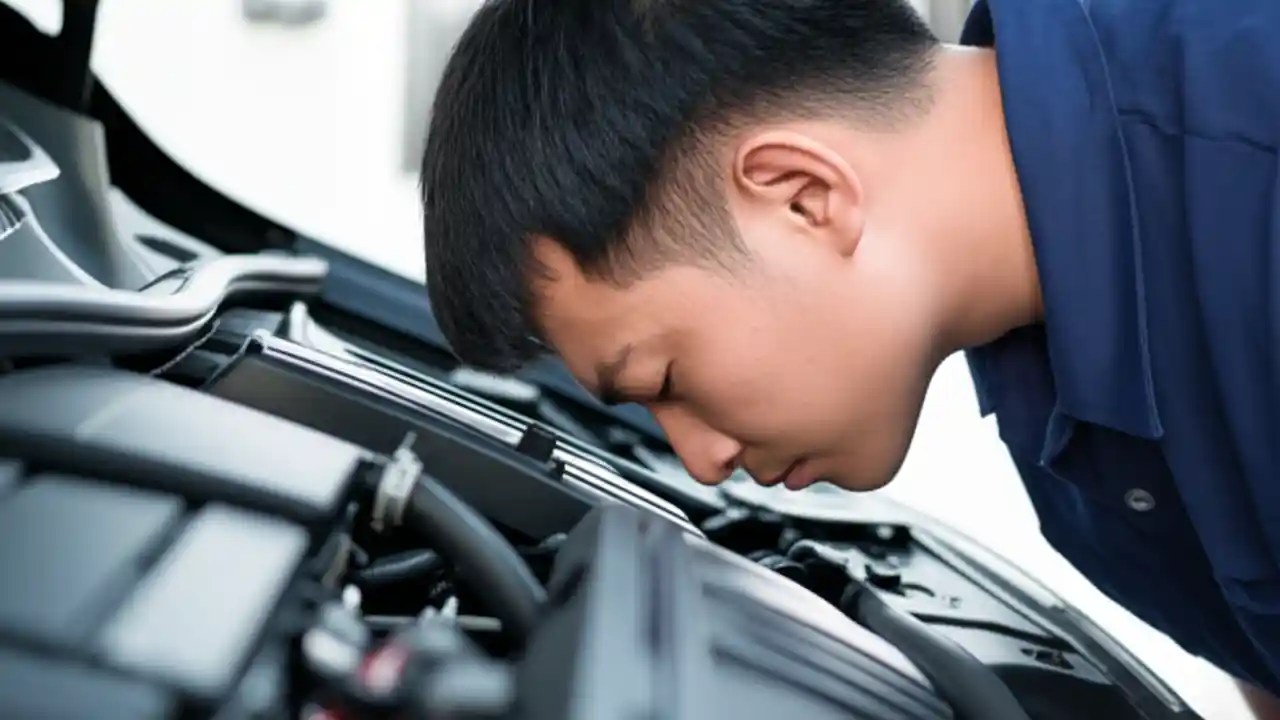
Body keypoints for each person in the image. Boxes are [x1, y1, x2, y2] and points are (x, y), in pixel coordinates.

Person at [417, 0, 1280, 715]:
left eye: (665, 382)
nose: (702, 462)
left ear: (803, 197)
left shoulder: (1253, 171)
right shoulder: (1049, 385)